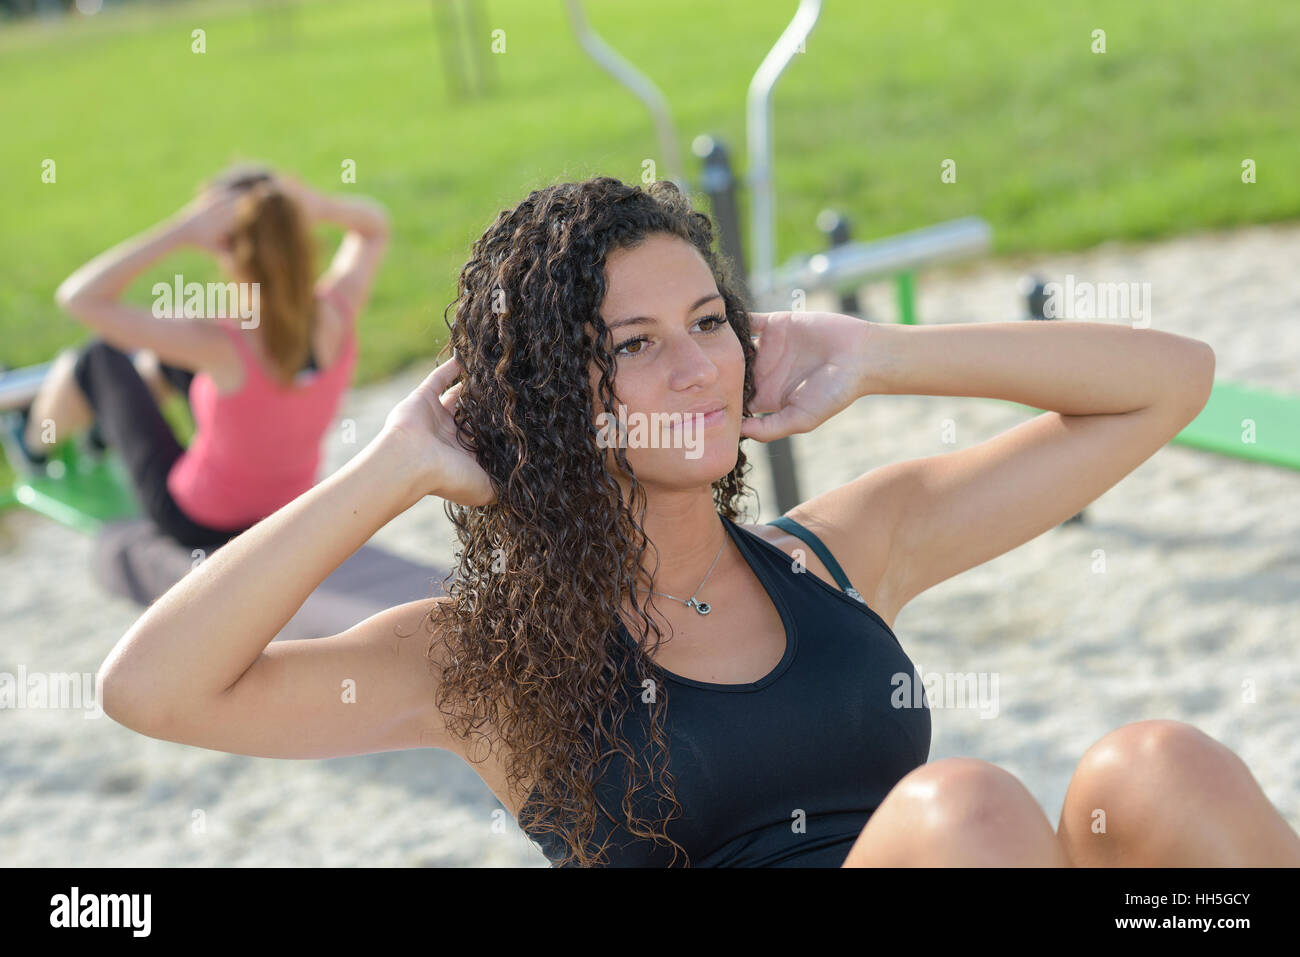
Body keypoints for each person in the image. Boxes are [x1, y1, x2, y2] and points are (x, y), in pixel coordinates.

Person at [95, 177, 1300, 868]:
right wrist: (389, 470)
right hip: (958, 843)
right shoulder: (478, 663)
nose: (696, 368)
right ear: (548, 401)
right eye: (634, 344)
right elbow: (152, 691)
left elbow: (1170, 384)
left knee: (1155, 772)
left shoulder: (839, 554)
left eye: (710, 321)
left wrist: (882, 355)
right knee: (967, 810)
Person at [13, 164, 389, 551]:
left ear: (223, 246)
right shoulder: (339, 311)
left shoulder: (222, 342)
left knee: (97, 358)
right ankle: (99, 433)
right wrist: (321, 204)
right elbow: (375, 226)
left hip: (200, 521)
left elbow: (78, 298)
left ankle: (32, 446)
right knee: (170, 361)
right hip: (282, 509)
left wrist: (180, 231)